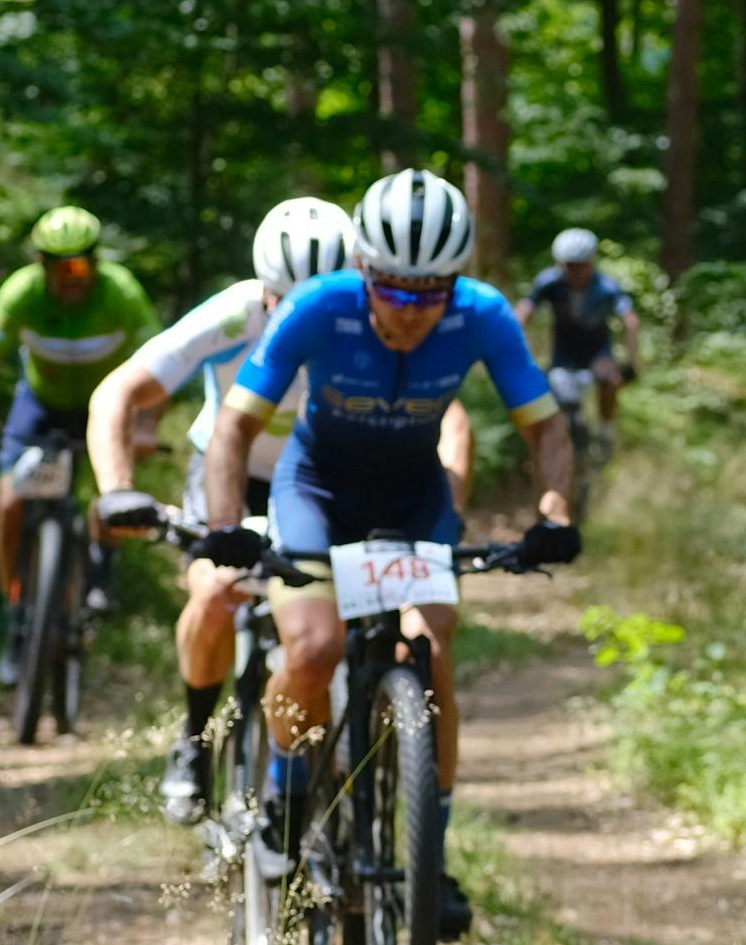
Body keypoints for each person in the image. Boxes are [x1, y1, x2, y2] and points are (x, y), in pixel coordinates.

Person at [187, 171, 582, 922]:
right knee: (310, 649)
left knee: (432, 652)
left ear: (455, 284)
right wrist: (226, 522)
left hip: (412, 496)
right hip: (317, 490)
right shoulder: (316, 305)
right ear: (363, 271)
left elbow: (546, 424)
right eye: (395, 292)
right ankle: (285, 794)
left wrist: (554, 513)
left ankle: (429, 857)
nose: (410, 313)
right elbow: (235, 426)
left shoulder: (485, 316)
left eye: (430, 294)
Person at [87, 195, 468, 827]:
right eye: (278, 301)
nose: (291, 315)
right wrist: (117, 487)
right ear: (263, 289)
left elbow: (449, 414)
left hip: (334, 484)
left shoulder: (368, 315)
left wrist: (451, 504)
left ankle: (359, 761)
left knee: (370, 625)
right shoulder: (235, 312)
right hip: (235, 479)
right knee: (216, 590)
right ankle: (195, 737)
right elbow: (119, 391)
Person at [0, 205, 161, 683]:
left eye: (78, 265)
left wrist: (147, 424)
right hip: (42, 405)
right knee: (10, 501)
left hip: (105, 408)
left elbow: (160, 364)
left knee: (114, 492)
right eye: (55, 264)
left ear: (95, 261)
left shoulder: (122, 294)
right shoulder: (22, 292)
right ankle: (16, 608)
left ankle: (102, 567)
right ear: (39, 263)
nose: (68, 276)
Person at [527, 227, 642, 428]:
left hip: (598, 352)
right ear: (560, 264)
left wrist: (630, 362)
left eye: (582, 266)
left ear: (592, 263)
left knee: (610, 381)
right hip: (564, 353)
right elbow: (523, 313)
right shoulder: (549, 283)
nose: (576, 273)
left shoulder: (607, 286)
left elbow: (630, 320)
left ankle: (606, 430)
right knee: (560, 399)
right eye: (570, 267)